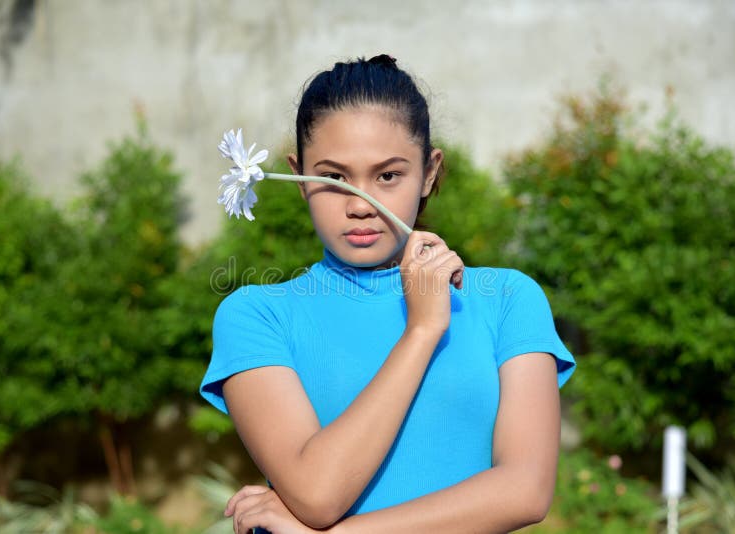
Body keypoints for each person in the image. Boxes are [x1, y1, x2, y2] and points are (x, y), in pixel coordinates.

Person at [200, 54, 575, 533]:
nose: (360, 205)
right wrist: (421, 331)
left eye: (388, 176)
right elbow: (317, 495)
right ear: (298, 176)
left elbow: (524, 491)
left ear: (430, 172)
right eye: (333, 178)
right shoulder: (257, 316)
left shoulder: (508, 301)